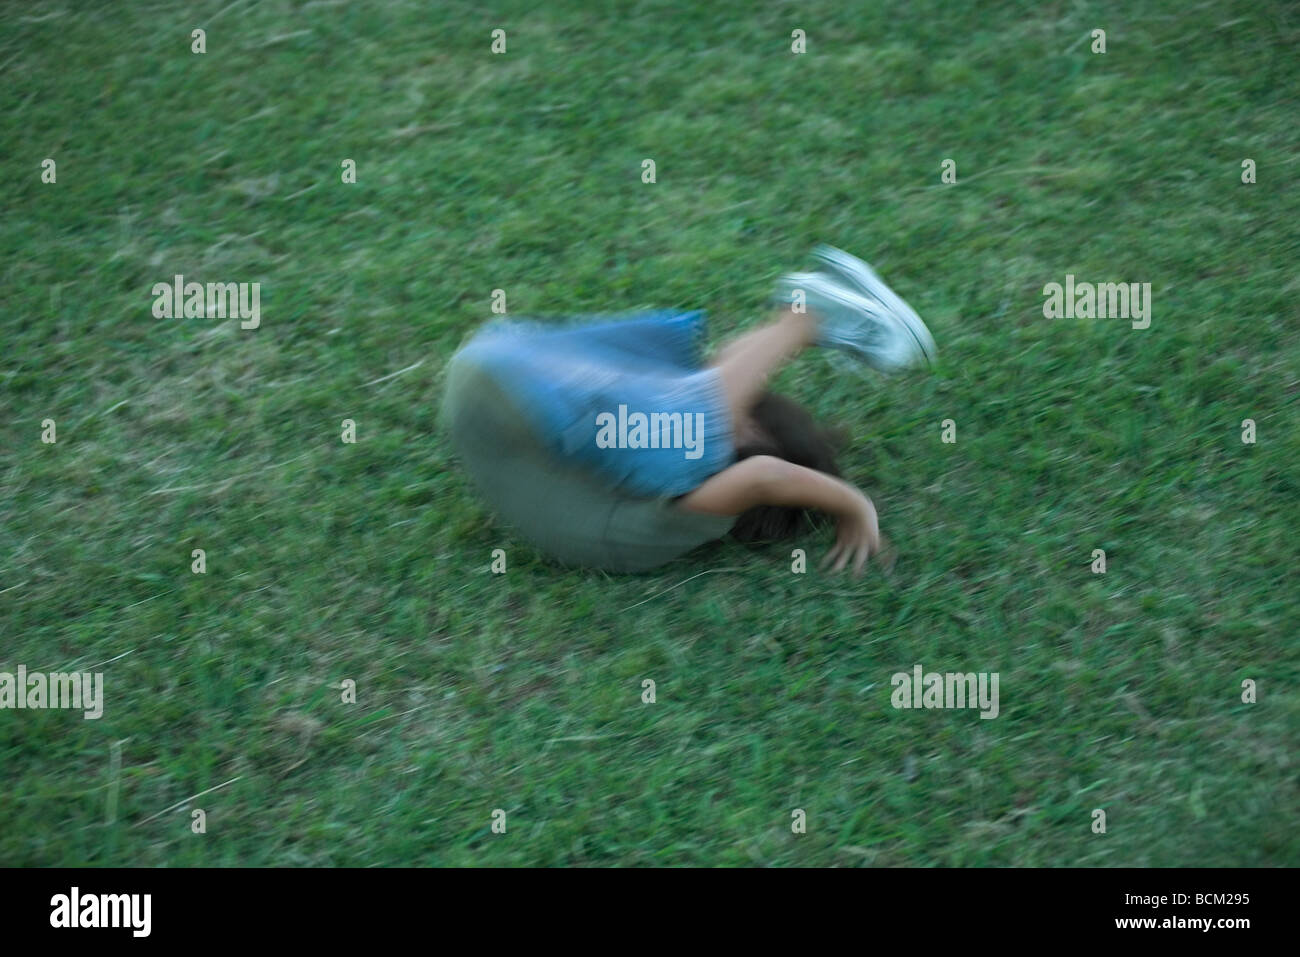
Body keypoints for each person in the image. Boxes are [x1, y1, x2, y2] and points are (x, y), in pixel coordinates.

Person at [441, 245, 936, 575]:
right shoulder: (652, 462)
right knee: (686, 411)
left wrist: (852, 504)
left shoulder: (688, 510)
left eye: (742, 421)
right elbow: (715, 406)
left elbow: (764, 473)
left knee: (689, 434)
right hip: (504, 376)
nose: (732, 405)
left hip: (507, 384)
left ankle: (806, 316)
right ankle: (806, 314)